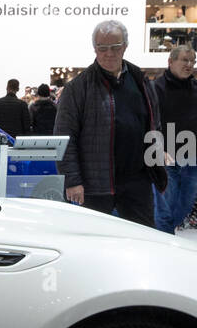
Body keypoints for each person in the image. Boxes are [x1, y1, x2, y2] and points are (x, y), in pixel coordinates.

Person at [55, 19, 165, 228]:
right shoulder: (78, 88)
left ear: (125, 46)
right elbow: (65, 137)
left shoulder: (140, 80)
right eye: (102, 48)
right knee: (94, 242)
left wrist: (158, 158)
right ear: (94, 49)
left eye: (115, 47)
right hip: (94, 184)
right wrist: (72, 180)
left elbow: (154, 124)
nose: (109, 53)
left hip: (138, 181)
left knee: (144, 240)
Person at [149, 46, 197, 234]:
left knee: (186, 205)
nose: (189, 65)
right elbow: (150, 121)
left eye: (193, 61)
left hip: (193, 154)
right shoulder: (156, 87)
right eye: (185, 60)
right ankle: (164, 242)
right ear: (170, 61)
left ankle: (166, 234)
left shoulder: (196, 87)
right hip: (166, 155)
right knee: (165, 207)